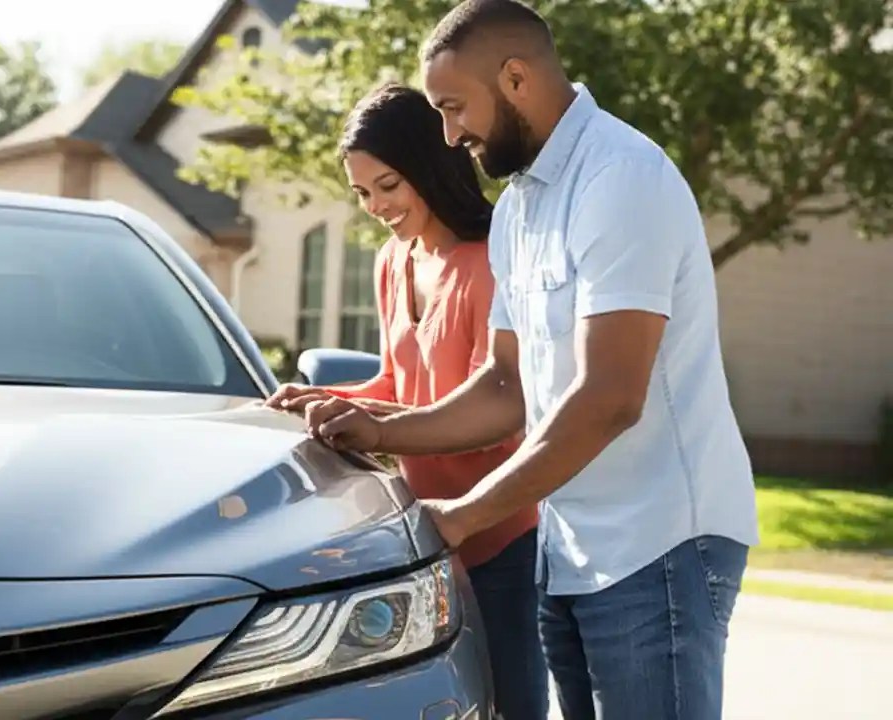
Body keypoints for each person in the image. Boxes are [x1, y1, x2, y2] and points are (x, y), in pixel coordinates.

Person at [299, 1, 759, 719]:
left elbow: (610, 397)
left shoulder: (621, 179)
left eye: (454, 108)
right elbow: (506, 387)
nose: (449, 136)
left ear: (515, 78)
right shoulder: (518, 207)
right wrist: (379, 429)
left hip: (660, 543)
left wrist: (465, 514)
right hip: (570, 547)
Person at [266, 82, 549, 720]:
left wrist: (373, 426)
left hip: (502, 541)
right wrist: (323, 399)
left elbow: (496, 418)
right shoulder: (394, 261)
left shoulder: (492, 265)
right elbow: (397, 387)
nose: (376, 207)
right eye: (363, 193)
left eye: (388, 186)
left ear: (430, 165)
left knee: (515, 708)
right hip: (419, 541)